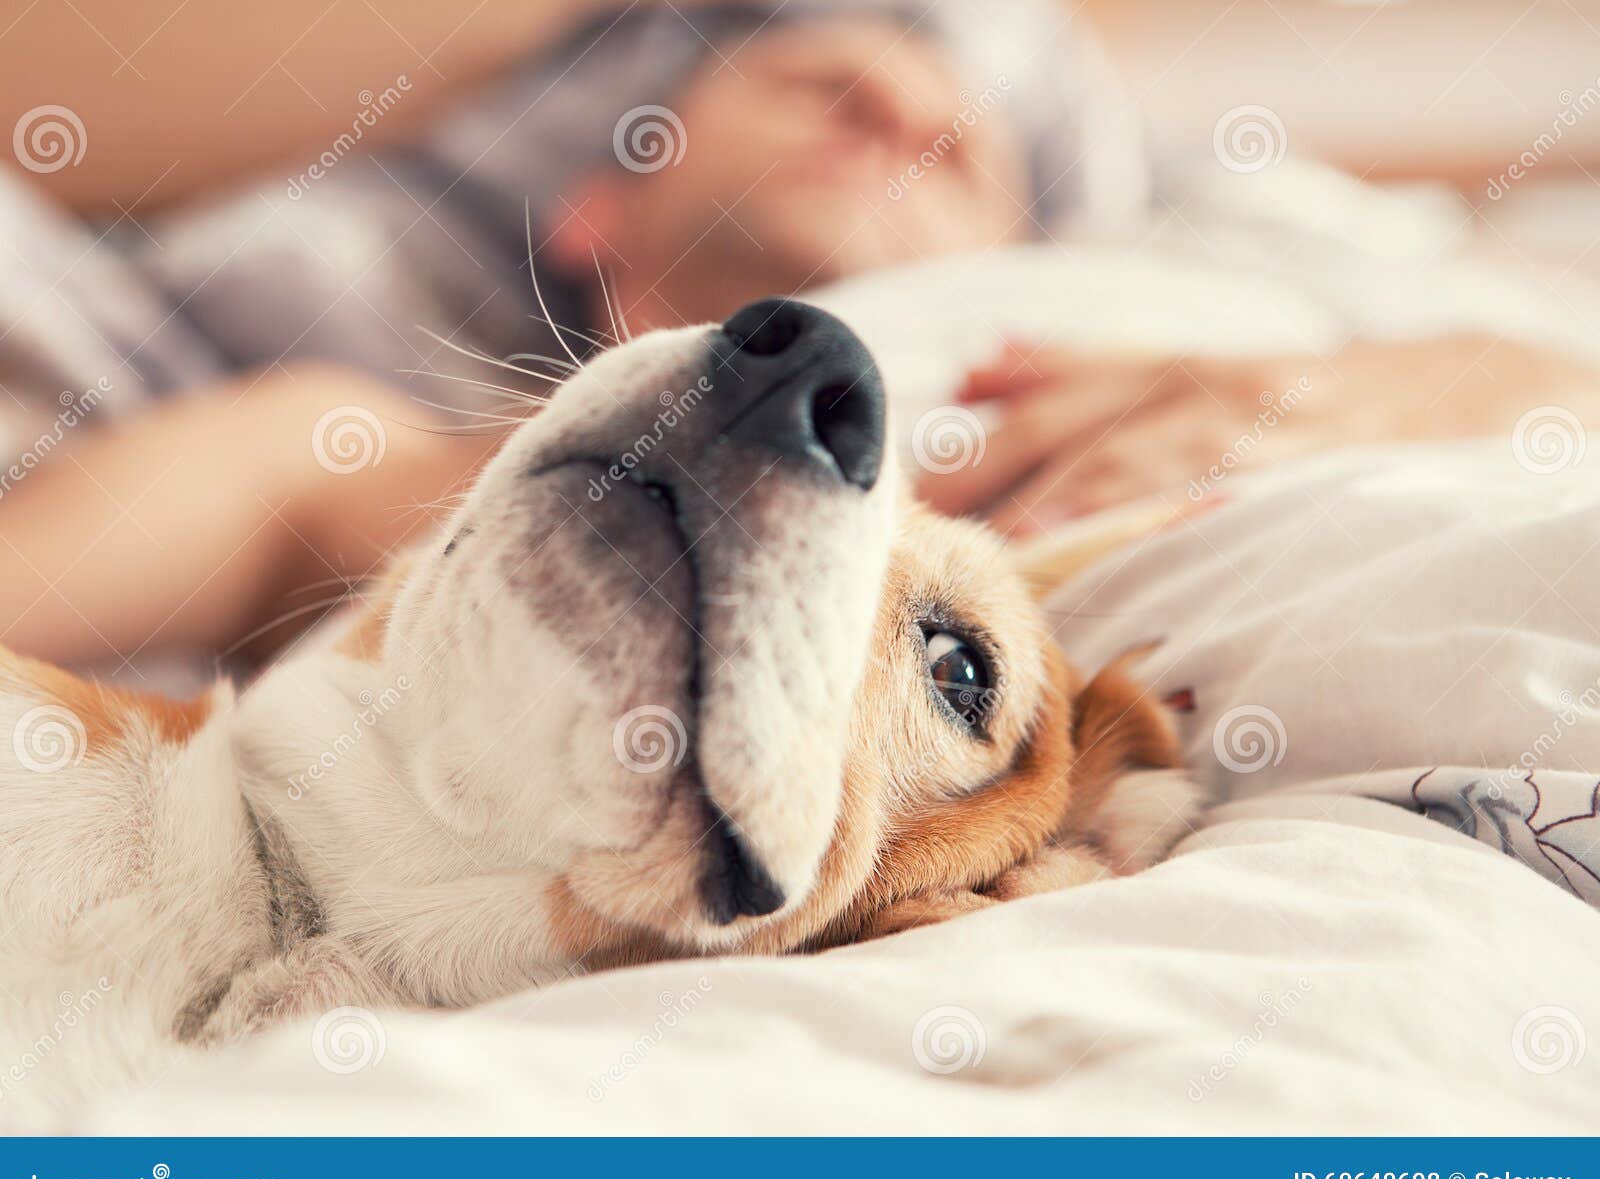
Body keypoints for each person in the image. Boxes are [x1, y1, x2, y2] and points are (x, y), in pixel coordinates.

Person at [0, 1, 1594, 668]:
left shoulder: (1177, 310)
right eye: (809, 84)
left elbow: (1552, 377)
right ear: (594, 213)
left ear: (1024, 257)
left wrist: (1332, 388)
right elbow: (272, 484)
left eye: (957, 142)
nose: (902, 89)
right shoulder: (418, 446)